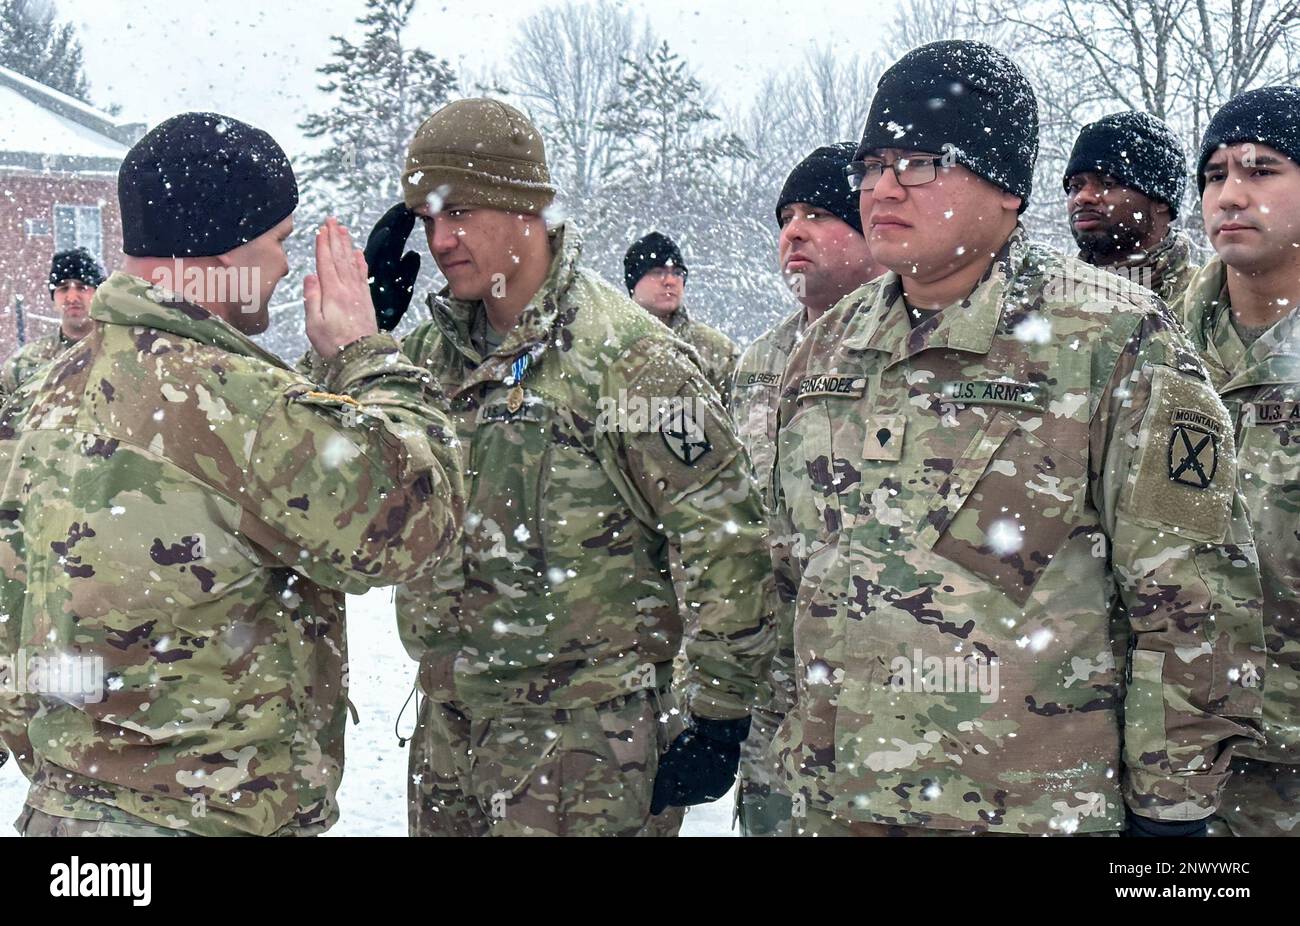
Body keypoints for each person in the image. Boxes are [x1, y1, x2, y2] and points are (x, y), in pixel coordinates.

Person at [769, 41, 1265, 837]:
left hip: (1030, 806)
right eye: (873, 163)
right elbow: (793, 575)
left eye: (921, 162)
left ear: (1005, 189)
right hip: (841, 802)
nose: (882, 187)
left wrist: (1173, 803)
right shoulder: (828, 350)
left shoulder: (1110, 337)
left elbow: (1191, 592)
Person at [0, 112, 464, 837]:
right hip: (206, 821)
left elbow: (219, 467)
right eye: (277, 242)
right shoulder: (234, 404)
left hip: (68, 826)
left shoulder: (46, 386)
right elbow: (415, 522)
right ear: (226, 249)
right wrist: (370, 356)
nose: (283, 267)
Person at [365, 98, 773, 837]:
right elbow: (322, 493)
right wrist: (360, 345)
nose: (441, 239)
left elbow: (724, 537)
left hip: (583, 751)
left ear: (525, 207)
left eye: (458, 211)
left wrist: (718, 714)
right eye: (427, 220)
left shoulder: (628, 361)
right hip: (450, 735)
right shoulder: (424, 360)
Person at [728, 141, 885, 837]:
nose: (792, 232)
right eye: (786, 215)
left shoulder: (907, 349)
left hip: (883, 698)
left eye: (818, 214)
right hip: (775, 697)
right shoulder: (761, 360)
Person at [1173, 86, 1300, 837]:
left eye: (1262, 169)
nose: (1231, 194)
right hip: (1176, 755)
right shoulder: (1151, 346)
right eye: (1215, 174)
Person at [1064, 112, 1196, 304]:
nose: (1082, 197)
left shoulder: (1207, 303)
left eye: (1107, 183)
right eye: (1076, 186)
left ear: (1161, 200)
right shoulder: (1046, 298)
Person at [624, 231, 740, 404]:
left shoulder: (716, 349)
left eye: (677, 272)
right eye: (657, 272)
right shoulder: (609, 343)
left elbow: (743, 417)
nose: (670, 281)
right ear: (634, 282)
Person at [0, 248, 104, 398]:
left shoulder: (122, 354)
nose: (72, 297)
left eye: (82, 287)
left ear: (99, 294)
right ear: (54, 297)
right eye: (63, 288)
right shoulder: (25, 363)